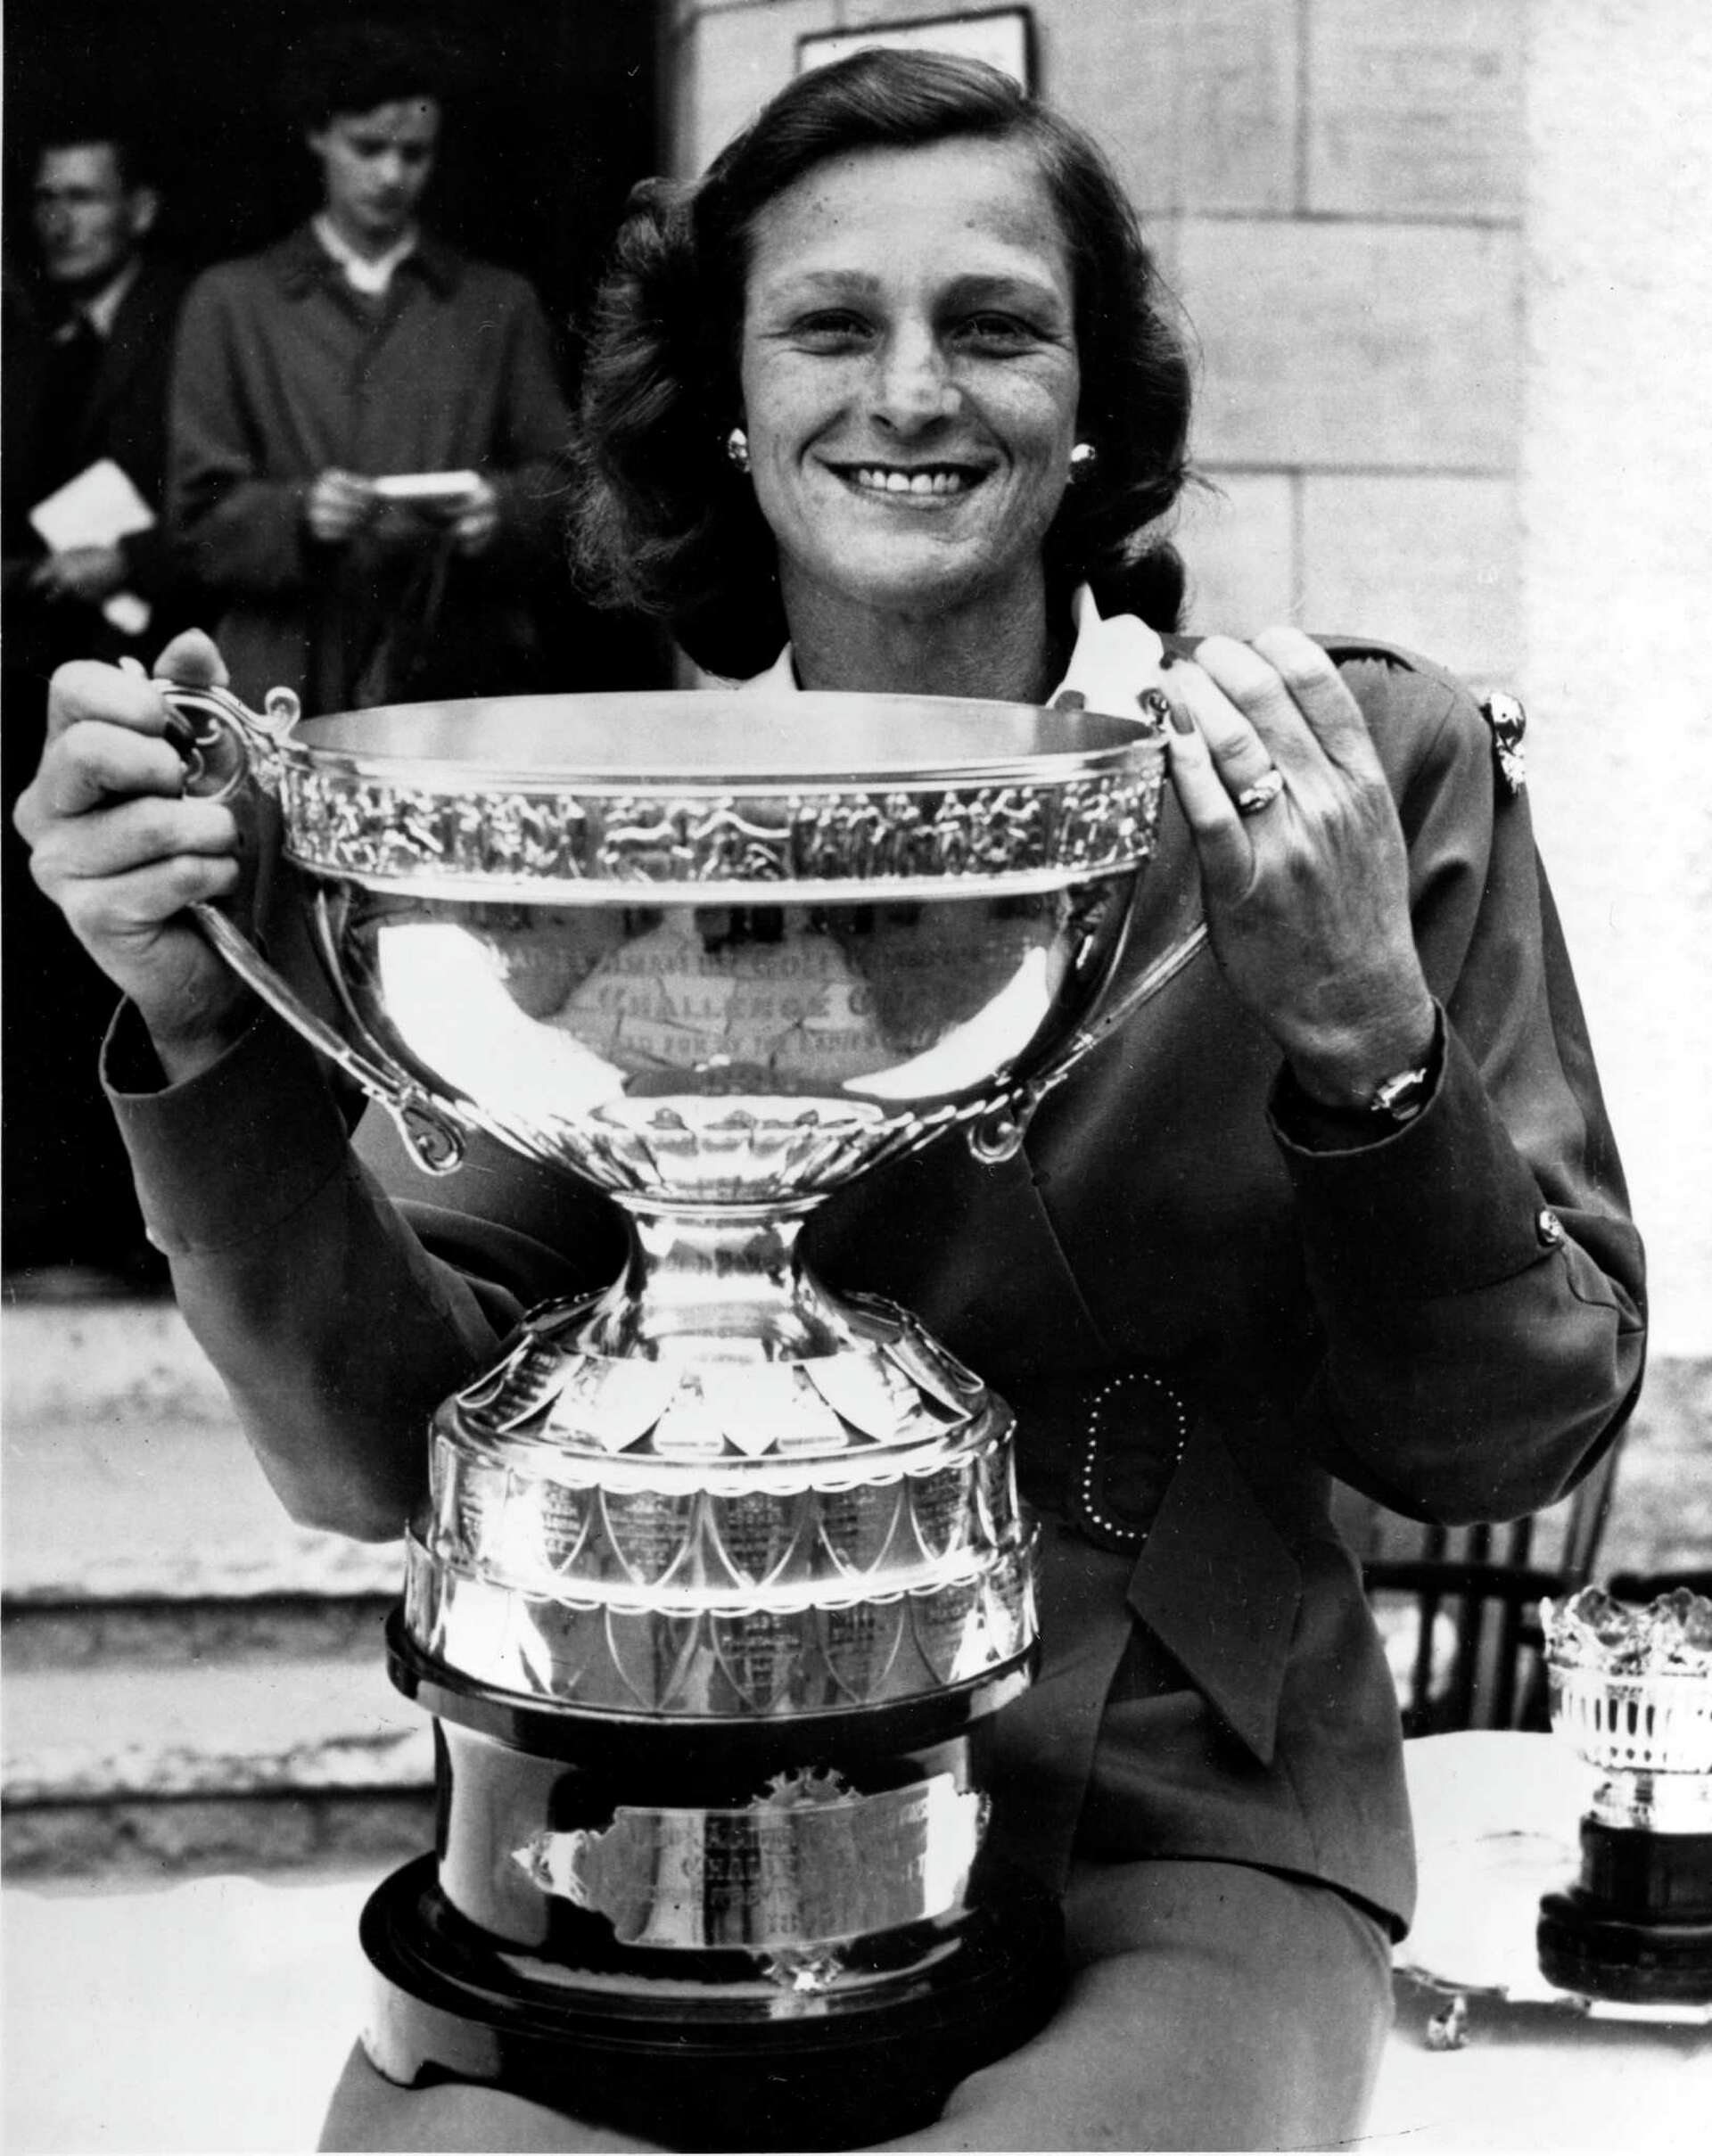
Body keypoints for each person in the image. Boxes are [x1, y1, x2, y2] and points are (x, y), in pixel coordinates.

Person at [13, 49, 1644, 2152]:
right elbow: (371, 1451)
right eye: (829, 326)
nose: (913, 393)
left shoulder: (1340, 770)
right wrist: (205, 1019)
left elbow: (1505, 1434)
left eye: (996, 325)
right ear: (728, 399)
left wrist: (1364, 1044)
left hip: (1171, 1812)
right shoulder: (596, 831)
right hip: (658, 1808)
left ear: (1092, 403)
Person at [167, 20, 573, 715]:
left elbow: (569, 488)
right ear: (317, 134)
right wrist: (300, 513)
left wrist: (501, 511)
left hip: (454, 667)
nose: (391, 175)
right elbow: (194, 524)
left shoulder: (497, 303)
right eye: (368, 147)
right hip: (284, 670)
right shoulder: (232, 301)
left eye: (414, 153)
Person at [2, 123, 188, 1283]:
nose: (60, 219)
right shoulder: (29, 332)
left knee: (138, 943)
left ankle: (134, 1226)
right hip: (31, 679)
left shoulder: (186, 319)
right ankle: (47, 1218)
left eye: (84, 196)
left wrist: (134, 563)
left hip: (150, 670)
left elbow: (213, 495)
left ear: (140, 209)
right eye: (45, 198)